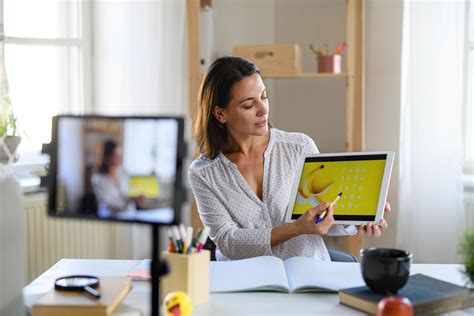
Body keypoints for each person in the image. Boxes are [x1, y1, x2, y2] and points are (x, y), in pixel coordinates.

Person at [188, 56, 391, 261]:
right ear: (221, 114)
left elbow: (322, 217)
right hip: (245, 282)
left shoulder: (298, 147)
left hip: (308, 274)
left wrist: (357, 217)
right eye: (249, 105)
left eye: (264, 96)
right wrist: (294, 229)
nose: (263, 109)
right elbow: (229, 242)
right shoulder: (204, 173)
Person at [91, 139, 143, 217]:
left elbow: (128, 191)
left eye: (120, 155)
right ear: (106, 156)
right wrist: (130, 200)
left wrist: (136, 196)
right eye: (116, 155)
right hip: (109, 217)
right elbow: (109, 202)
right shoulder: (98, 178)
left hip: (129, 215)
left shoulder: (123, 172)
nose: (119, 158)